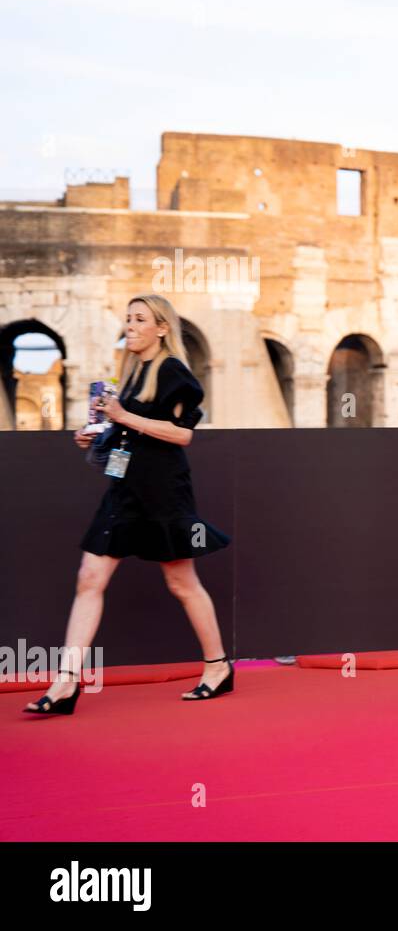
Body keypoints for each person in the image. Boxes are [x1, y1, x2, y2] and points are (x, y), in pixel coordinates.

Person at [23, 294, 234, 716]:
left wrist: (124, 416)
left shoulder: (173, 372)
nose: (131, 325)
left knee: (181, 584)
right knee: (90, 577)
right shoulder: (133, 373)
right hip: (123, 491)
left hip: (162, 491)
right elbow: (124, 430)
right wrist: (95, 435)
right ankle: (66, 684)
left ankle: (218, 667)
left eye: (140, 319)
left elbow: (182, 434)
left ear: (161, 328)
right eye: (128, 318)